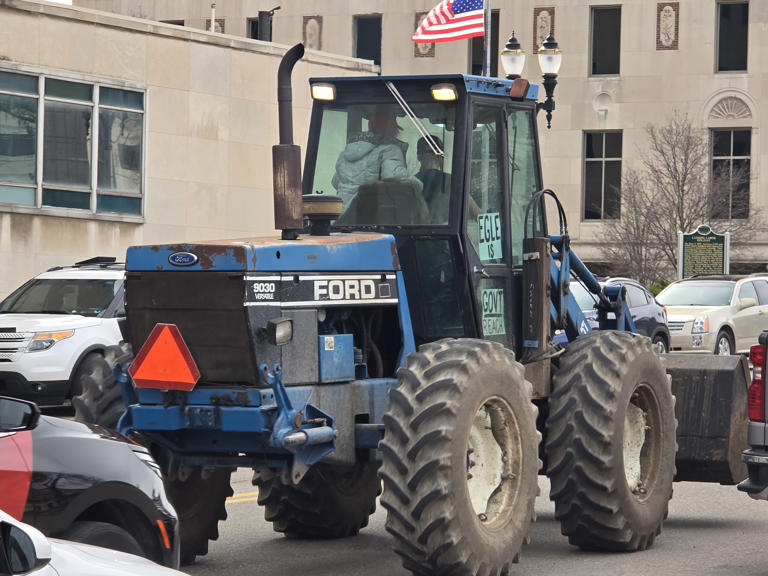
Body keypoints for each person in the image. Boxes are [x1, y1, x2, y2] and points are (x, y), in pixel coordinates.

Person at [332, 107, 415, 209]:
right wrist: (417, 186)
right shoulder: (390, 150)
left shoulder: (348, 150)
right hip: (368, 216)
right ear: (390, 126)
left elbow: (335, 181)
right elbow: (395, 179)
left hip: (341, 214)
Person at [414, 135, 451, 224]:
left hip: (414, 235)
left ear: (419, 157)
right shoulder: (452, 181)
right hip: (446, 235)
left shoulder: (410, 183)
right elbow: (476, 212)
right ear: (440, 157)